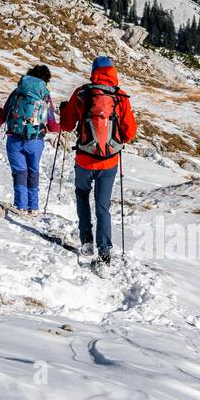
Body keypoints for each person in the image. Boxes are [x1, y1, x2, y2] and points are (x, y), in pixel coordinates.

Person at [58, 55, 137, 271]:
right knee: (103, 207)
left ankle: (86, 242)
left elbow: (65, 125)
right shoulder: (120, 97)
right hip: (109, 162)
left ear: (93, 71)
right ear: (113, 72)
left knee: (82, 195)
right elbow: (130, 132)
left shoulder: (83, 93)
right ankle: (104, 254)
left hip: (84, 158)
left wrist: (65, 111)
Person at [0, 64, 60, 215]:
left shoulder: (18, 92)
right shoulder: (44, 95)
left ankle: (20, 206)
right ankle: (33, 208)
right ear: (45, 80)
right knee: (33, 172)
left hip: (14, 139)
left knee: (19, 172)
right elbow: (51, 123)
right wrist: (61, 127)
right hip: (35, 140)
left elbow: (3, 116)